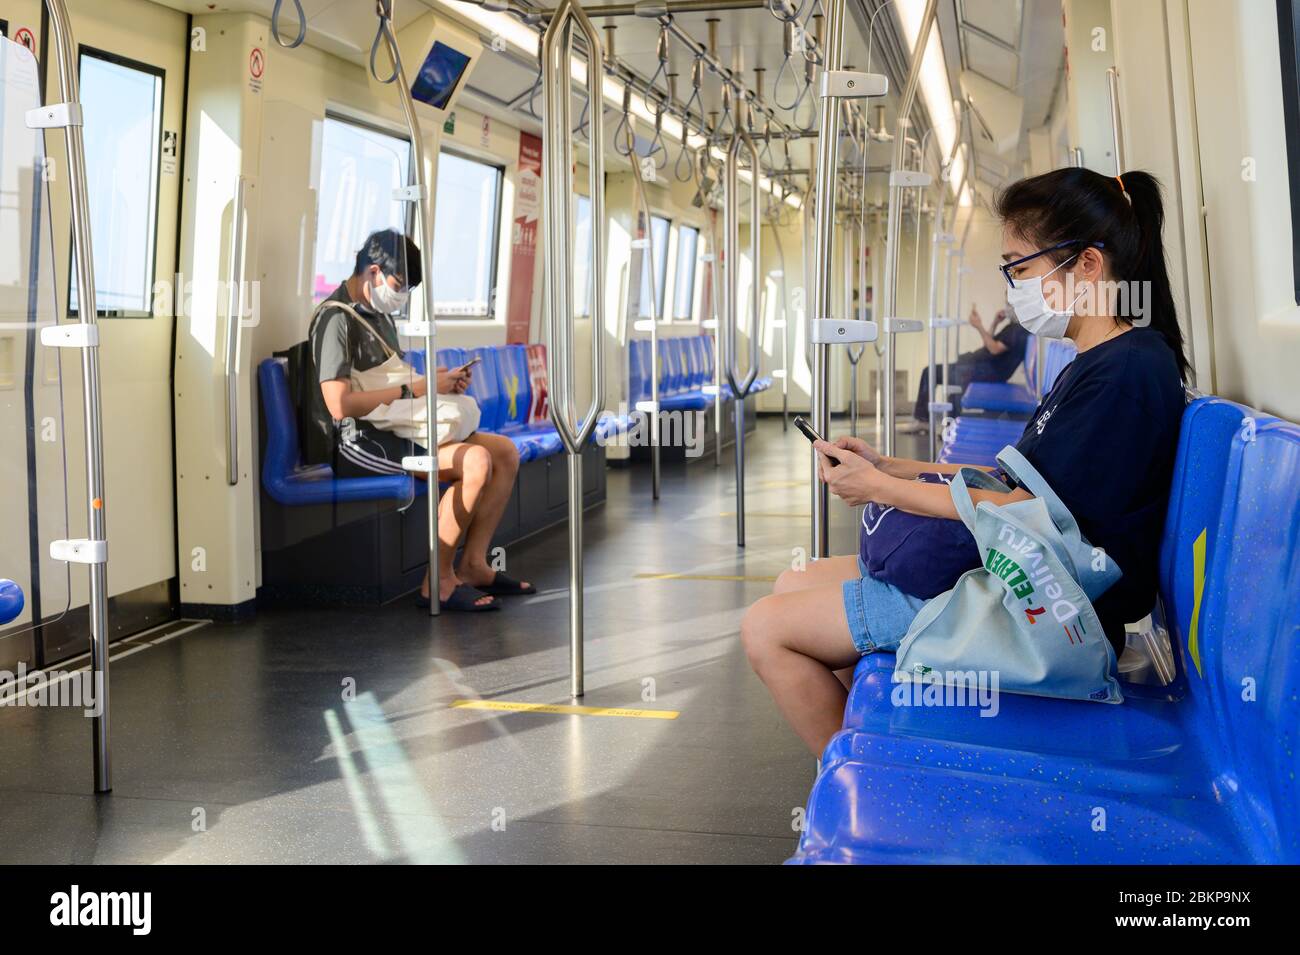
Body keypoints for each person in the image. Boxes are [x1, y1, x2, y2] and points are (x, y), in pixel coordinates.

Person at [742, 168, 1188, 755]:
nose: (1014, 287)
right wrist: (894, 467)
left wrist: (880, 489)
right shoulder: (1098, 361)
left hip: (1046, 608)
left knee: (765, 628)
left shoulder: (1123, 374)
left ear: (1086, 265)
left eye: (1022, 269)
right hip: (1020, 571)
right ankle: (877, 747)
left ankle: (863, 785)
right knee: (791, 581)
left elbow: (1030, 512)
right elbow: (1017, 481)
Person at [307, 229, 534, 612]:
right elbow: (338, 405)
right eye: (399, 286)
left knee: (504, 453)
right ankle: (439, 580)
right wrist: (417, 390)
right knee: (475, 462)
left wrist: (440, 383)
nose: (401, 296)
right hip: (357, 443)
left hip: (390, 425)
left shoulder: (379, 316)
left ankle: (475, 564)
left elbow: (392, 383)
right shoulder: (335, 320)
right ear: (374, 272)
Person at [901, 305, 1030, 432]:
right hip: (979, 368)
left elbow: (994, 349)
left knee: (931, 373)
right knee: (942, 380)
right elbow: (988, 343)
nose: (1007, 306)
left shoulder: (1018, 330)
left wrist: (979, 325)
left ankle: (926, 421)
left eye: (1010, 302)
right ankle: (945, 427)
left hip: (984, 372)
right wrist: (995, 323)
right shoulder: (1013, 327)